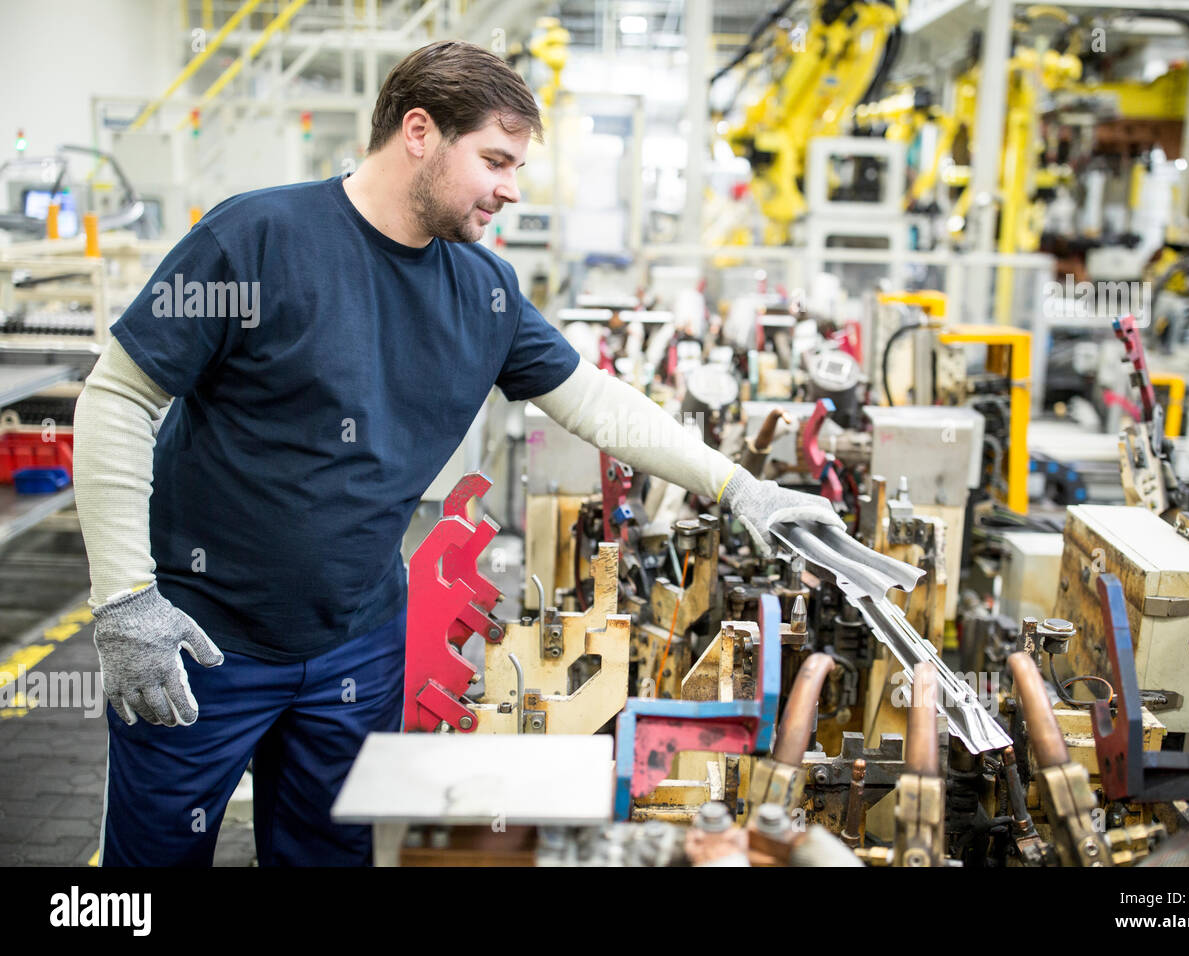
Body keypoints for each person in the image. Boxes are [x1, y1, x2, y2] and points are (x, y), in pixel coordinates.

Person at [73, 40, 838, 866]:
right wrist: (125, 602)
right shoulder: (254, 239)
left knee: (330, 857)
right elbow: (119, 398)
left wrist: (738, 486)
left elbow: (597, 403)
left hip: (355, 646)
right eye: (496, 160)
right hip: (199, 641)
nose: (511, 188)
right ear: (419, 132)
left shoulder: (484, 290)